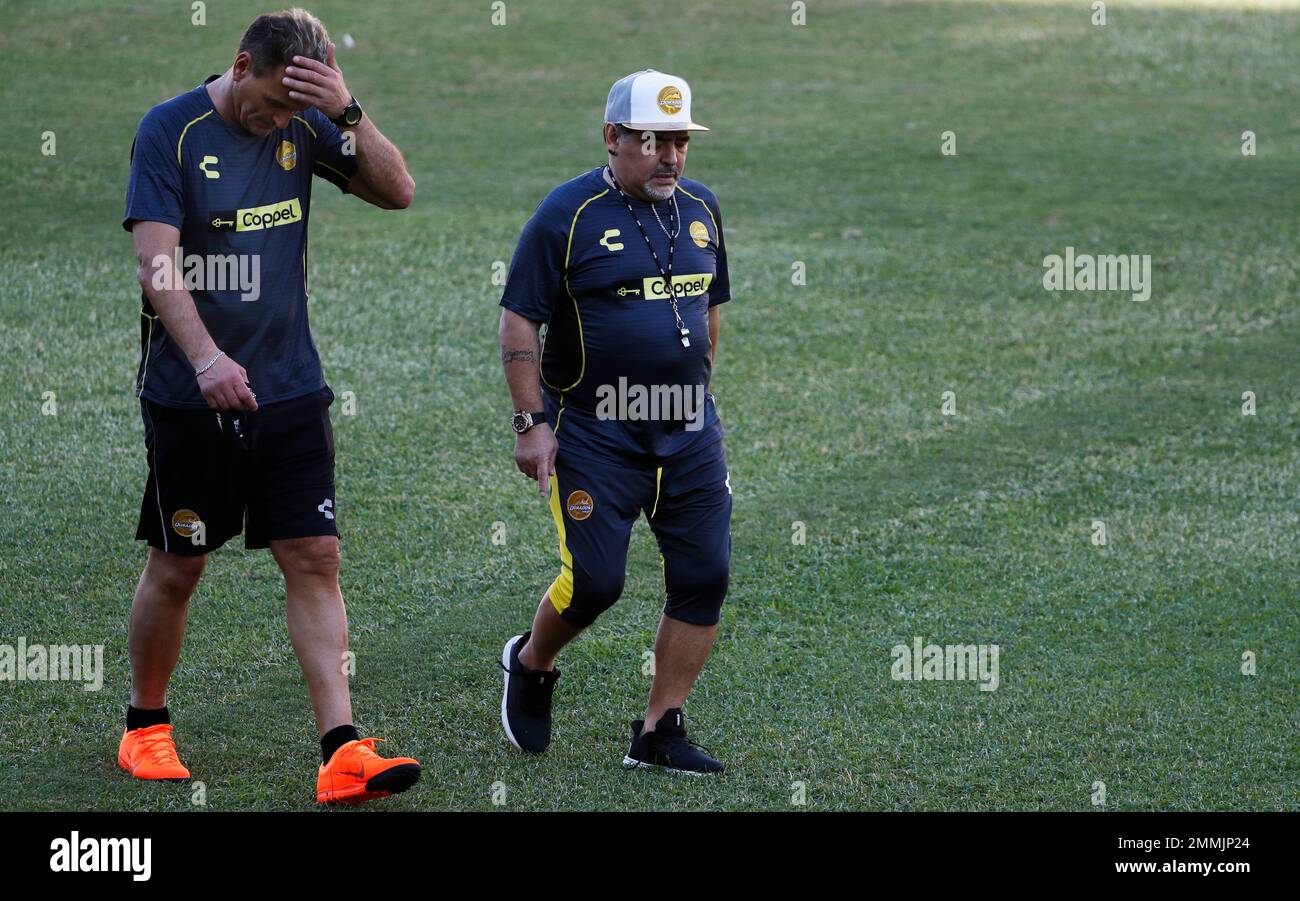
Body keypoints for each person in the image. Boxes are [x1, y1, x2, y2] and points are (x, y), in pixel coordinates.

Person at [120, 8, 419, 804]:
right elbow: (157, 263)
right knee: (181, 563)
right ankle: (144, 724)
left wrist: (345, 110)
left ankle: (342, 749)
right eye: (276, 104)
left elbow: (399, 192)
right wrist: (207, 357)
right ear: (242, 62)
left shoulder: (307, 121)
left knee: (315, 556)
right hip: (192, 395)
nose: (283, 124)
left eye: (298, 109)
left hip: (290, 386)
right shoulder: (169, 133)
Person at [497, 70, 734, 774]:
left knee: (705, 572)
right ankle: (531, 662)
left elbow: (708, 311)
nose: (670, 156)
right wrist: (531, 423)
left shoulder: (703, 209)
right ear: (614, 137)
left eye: (680, 141)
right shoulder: (566, 215)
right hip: (597, 431)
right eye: (654, 140)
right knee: (596, 582)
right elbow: (519, 319)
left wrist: (699, 397)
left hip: (688, 430)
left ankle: (660, 729)